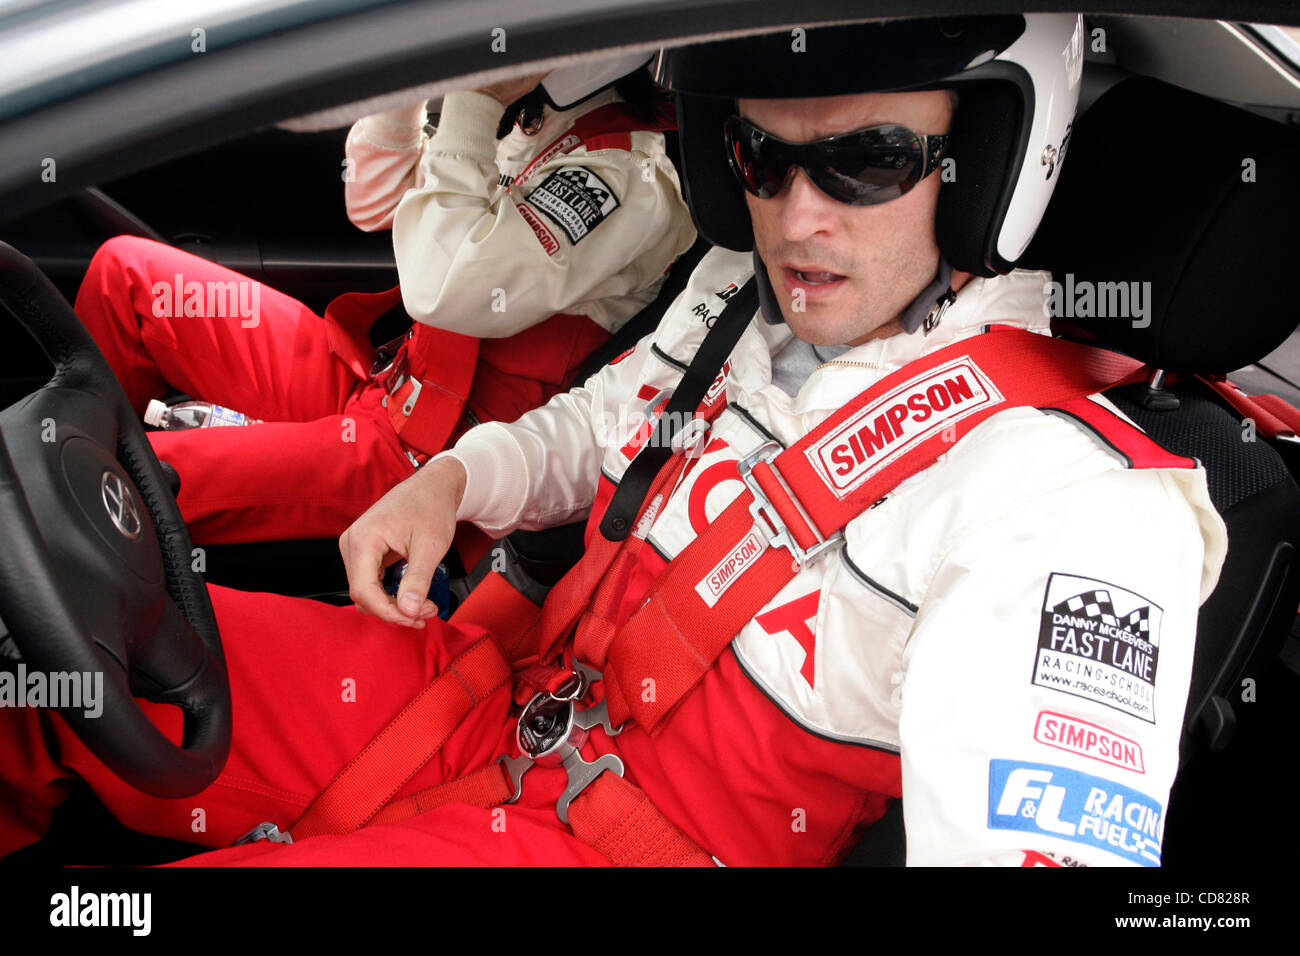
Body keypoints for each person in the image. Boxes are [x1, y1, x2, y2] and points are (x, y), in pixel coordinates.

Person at [0, 14, 1227, 866]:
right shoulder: (743, 297)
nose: (796, 214)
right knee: (53, 659)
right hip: (501, 698)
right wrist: (453, 476)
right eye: (759, 153)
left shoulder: (1074, 503)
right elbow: (598, 427)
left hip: (640, 845)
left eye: (865, 159)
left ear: (986, 164)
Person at [72, 57, 696, 544]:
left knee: (111, 481)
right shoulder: (542, 114)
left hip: (427, 457)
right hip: (385, 380)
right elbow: (369, 200)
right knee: (126, 275)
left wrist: (475, 101)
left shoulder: (630, 179)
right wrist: (420, 77)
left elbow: (437, 289)